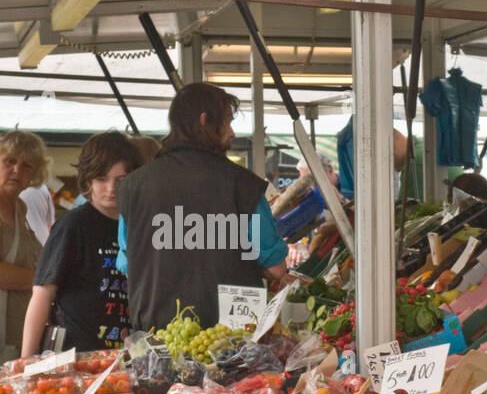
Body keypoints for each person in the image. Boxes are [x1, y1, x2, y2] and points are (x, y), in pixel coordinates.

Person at [115, 82, 288, 332]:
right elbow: (276, 267)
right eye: (227, 122)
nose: (232, 133)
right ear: (205, 121)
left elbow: (126, 264)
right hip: (231, 341)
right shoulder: (244, 186)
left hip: (156, 339)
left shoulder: (131, 187)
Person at [22, 132, 139, 356]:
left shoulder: (138, 225)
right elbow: (42, 294)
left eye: (121, 180)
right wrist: (26, 361)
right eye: (101, 178)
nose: (111, 188)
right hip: (73, 358)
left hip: (126, 359)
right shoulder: (73, 225)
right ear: (88, 179)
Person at [0, 131, 47, 361]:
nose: (17, 170)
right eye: (10, 161)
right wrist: (45, 282)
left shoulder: (20, 208)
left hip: (15, 339)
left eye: (27, 166)